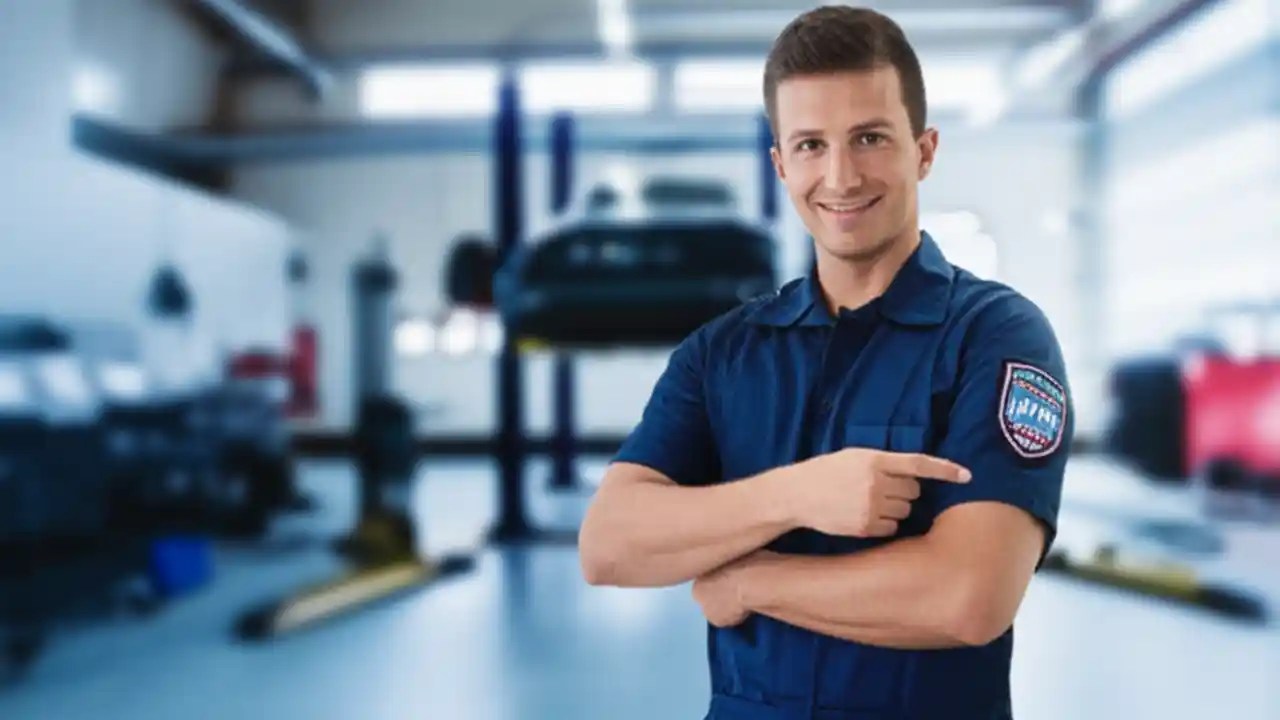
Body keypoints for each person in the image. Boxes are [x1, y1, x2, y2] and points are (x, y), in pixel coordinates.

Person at [578, 5, 1072, 720]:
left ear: (924, 150)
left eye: (869, 138)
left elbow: (969, 596)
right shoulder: (724, 352)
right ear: (780, 164)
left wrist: (748, 581)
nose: (840, 177)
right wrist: (800, 495)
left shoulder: (996, 337)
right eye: (811, 145)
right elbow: (610, 542)